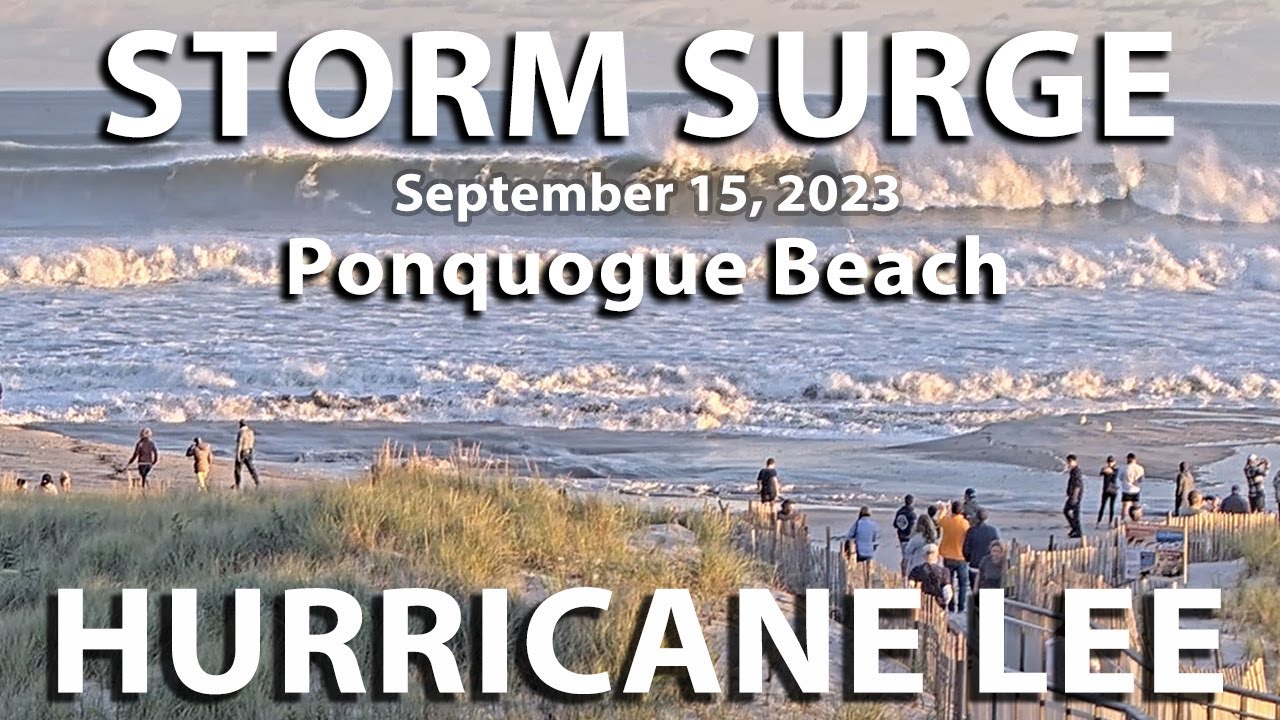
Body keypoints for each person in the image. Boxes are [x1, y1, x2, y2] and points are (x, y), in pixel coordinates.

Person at [938, 500, 971, 613]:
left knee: (949, 582)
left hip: (948, 555)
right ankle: (961, 606)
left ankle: (951, 605)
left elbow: (939, 520)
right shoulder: (965, 523)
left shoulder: (947, 521)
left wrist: (944, 509)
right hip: (961, 556)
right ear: (961, 511)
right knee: (962, 584)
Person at [963, 509, 1001, 596]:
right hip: (988, 566)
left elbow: (966, 548)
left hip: (974, 565)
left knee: (975, 591)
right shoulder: (992, 531)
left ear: (976, 517)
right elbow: (997, 546)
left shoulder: (971, 531)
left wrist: (968, 558)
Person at [907, 544, 953, 609]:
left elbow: (911, 584)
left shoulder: (917, 570)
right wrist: (945, 601)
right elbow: (947, 589)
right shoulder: (944, 571)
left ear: (924, 556)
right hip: (937, 603)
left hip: (921, 602)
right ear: (937, 555)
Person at [893, 495, 918, 576]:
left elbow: (895, 525)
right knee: (909, 557)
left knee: (905, 556)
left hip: (901, 536)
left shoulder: (899, 512)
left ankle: (904, 574)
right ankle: (907, 575)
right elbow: (913, 527)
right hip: (909, 538)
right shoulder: (912, 514)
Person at [234, 419, 261, 489]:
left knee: (237, 469)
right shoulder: (251, 432)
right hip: (249, 451)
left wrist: (237, 455)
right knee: (251, 468)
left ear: (240, 425)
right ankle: (257, 482)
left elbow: (239, 444)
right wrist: (251, 451)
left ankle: (238, 484)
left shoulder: (241, 432)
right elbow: (252, 442)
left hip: (242, 452)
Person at [1064, 454, 1084, 539]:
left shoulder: (1076, 471)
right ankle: (1075, 528)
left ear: (1074, 461)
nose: (1068, 463)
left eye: (1070, 461)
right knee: (1068, 511)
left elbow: (1078, 485)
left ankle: (1077, 530)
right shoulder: (1073, 471)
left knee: (1073, 513)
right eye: (1068, 461)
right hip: (1073, 494)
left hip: (1076, 495)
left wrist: (1074, 496)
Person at [1120, 453, 1144, 523]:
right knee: (1135, 506)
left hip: (1126, 489)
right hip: (1136, 489)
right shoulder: (1140, 468)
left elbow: (1121, 478)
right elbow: (1141, 480)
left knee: (1125, 506)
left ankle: (1123, 521)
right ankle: (1136, 520)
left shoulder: (1124, 468)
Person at [1097, 456, 1119, 527]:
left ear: (1114, 462)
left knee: (1111, 507)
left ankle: (1110, 522)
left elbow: (1115, 474)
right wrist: (1105, 471)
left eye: (1111, 462)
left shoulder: (1116, 470)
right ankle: (1098, 521)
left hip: (1113, 490)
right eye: (1109, 462)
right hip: (1105, 490)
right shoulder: (1104, 469)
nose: (1110, 463)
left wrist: (1110, 471)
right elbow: (1101, 473)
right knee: (1102, 506)